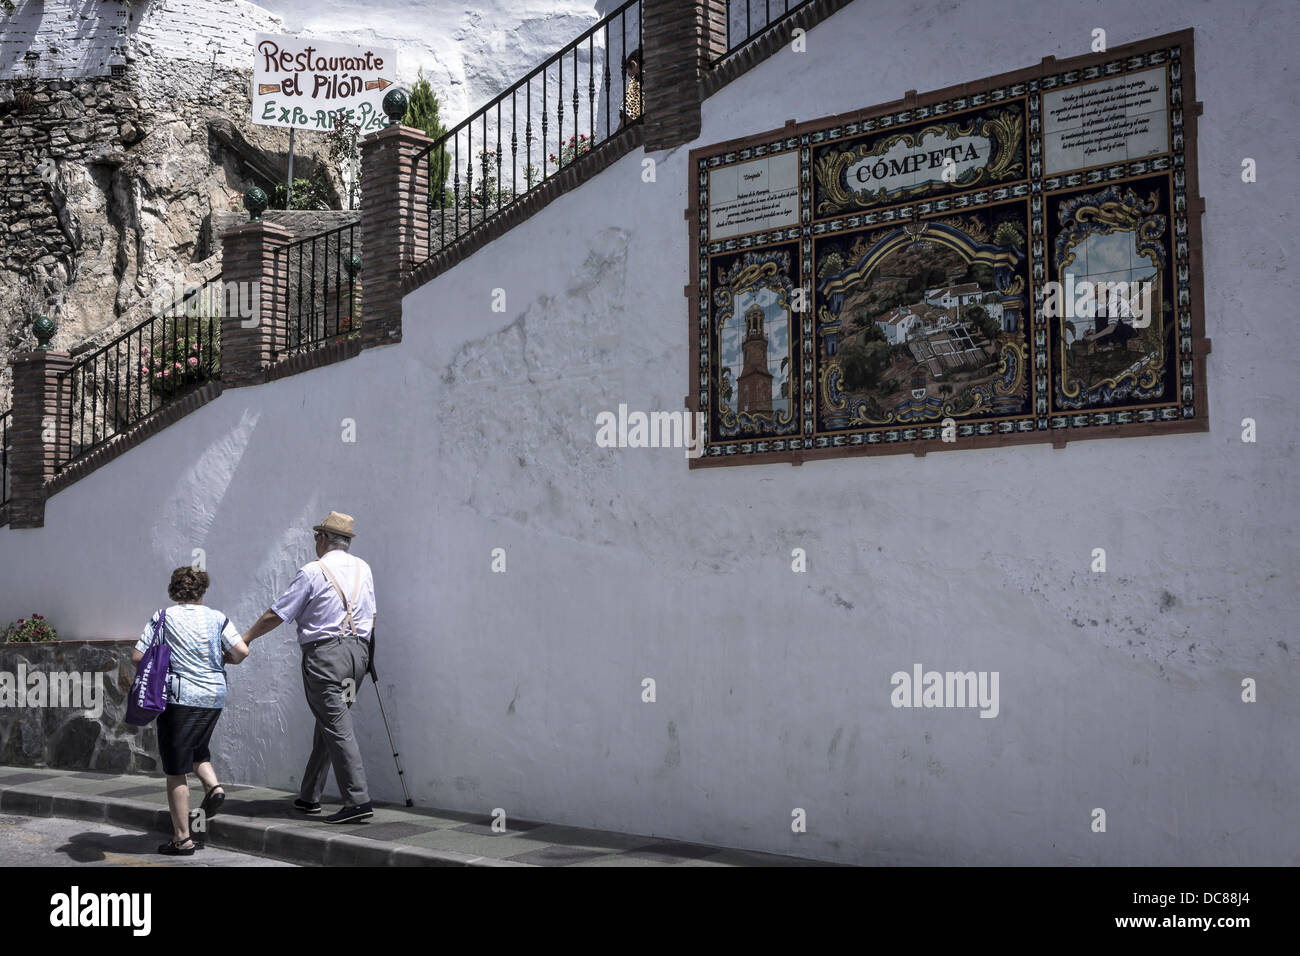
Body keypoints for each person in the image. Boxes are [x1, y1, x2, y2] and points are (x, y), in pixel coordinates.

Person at [241, 511, 377, 823]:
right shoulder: (363, 569)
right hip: (358, 655)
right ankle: (309, 797)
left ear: (324, 539)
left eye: (317, 536)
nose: (315, 541)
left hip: (326, 656)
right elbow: (372, 616)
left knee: (336, 727)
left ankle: (358, 800)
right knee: (330, 725)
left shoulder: (313, 571)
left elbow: (278, 613)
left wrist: (247, 638)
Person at [134, 566, 250, 856]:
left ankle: (182, 838)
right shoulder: (217, 618)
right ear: (202, 590)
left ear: (175, 590)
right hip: (213, 696)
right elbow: (240, 652)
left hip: (180, 697)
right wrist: (219, 659)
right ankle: (213, 788)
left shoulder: (163, 617)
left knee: (175, 769)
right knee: (196, 747)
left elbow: (138, 655)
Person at [618, 48, 643, 128]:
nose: (631, 79)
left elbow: (628, 117)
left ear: (633, 65)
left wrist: (615, 139)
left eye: (630, 75)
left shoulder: (637, 82)